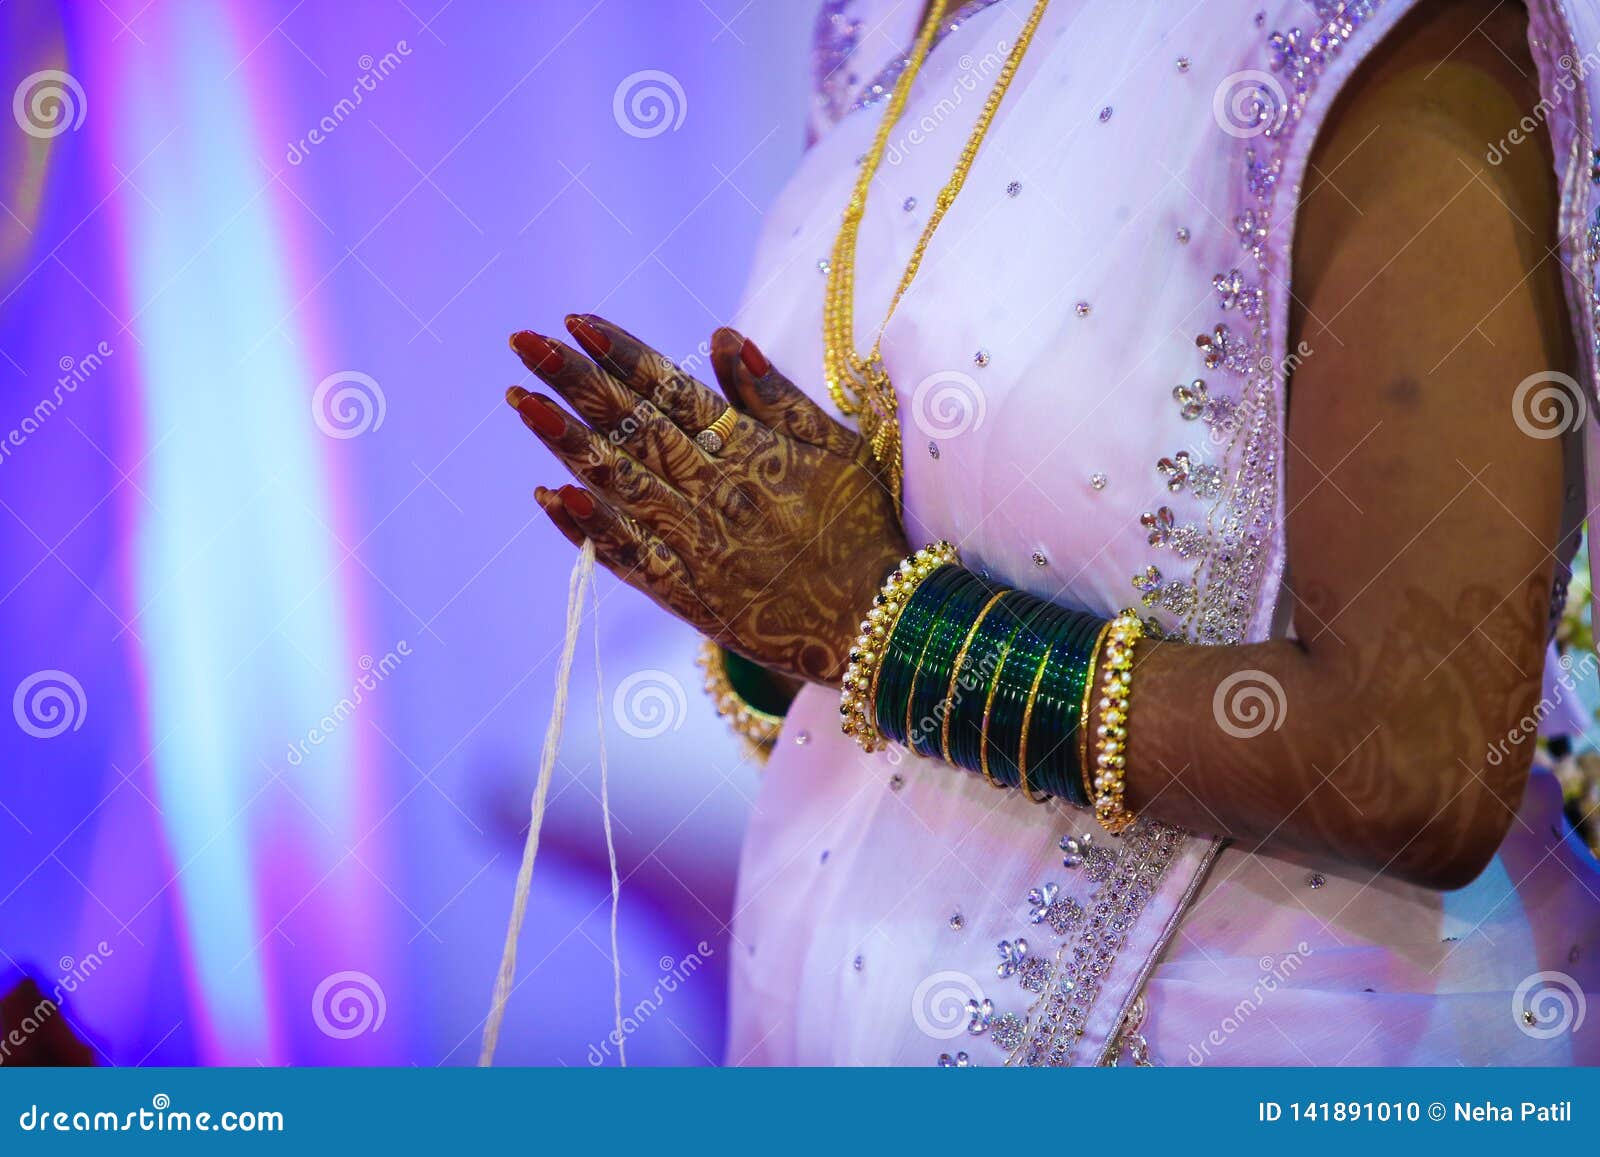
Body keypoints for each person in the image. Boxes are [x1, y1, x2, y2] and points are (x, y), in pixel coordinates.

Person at [504, 0, 1600, 1064]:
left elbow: (1416, 765)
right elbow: (854, 616)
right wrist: (754, 598)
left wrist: (885, 629)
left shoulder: (1370, 33)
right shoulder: (879, 28)